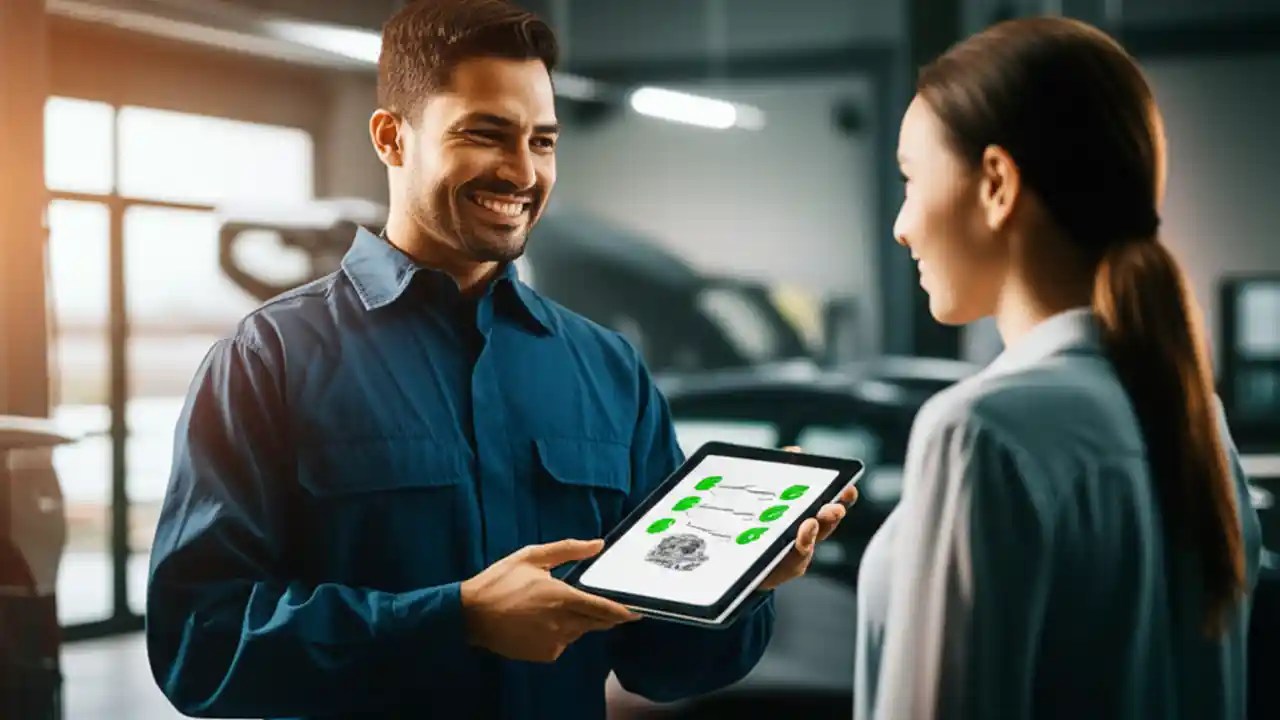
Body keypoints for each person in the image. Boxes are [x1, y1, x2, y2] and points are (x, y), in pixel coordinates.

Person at [144, 1, 856, 718]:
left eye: (542, 142)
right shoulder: (266, 361)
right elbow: (198, 647)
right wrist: (456, 619)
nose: (521, 172)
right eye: (486, 135)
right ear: (393, 138)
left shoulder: (607, 370)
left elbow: (661, 666)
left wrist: (745, 581)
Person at [855, 16, 1262, 720]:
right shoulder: (1193, 419)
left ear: (996, 183)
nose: (902, 224)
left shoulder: (981, 431)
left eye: (910, 179)